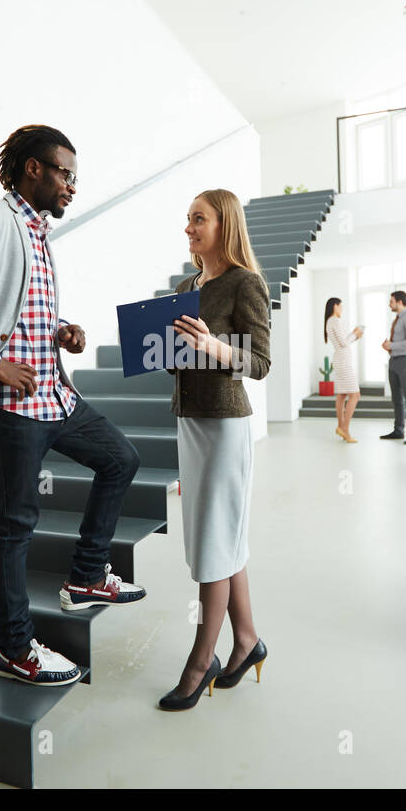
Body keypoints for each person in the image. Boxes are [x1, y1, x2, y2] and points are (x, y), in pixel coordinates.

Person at [0, 124, 146, 688]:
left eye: (75, 177)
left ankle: (87, 576)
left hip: (55, 396)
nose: (71, 186)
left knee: (121, 458)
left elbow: (14, 305)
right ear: (33, 169)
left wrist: (60, 330)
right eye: (64, 173)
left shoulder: (38, 234)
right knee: (13, 528)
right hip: (11, 406)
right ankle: (14, 649)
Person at [161, 188, 272, 711]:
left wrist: (214, 346)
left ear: (223, 223)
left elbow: (260, 362)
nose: (189, 227)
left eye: (198, 218)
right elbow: (181, 359)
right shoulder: (187, 286)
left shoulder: (244, 283)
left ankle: (200, 660)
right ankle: (246, 641)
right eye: (187, 219)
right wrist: (164, 351)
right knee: (221, 538)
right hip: (191, 423)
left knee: (212, 545)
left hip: (225, 426)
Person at [379, 290, 406, 444]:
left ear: (399, 302)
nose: (389, 304)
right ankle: (398, 430)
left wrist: (392, 345)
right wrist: (389, 347)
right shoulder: (397, 319)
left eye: (391, 301)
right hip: (394, 361)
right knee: (397, 399)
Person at [324, 297, 363, 443]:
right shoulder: (334, 320)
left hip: (340, 360)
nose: (342, 309)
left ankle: (341, 426)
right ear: (335, 306)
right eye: (341, 306)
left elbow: (341, 341)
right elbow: (343, 343)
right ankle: (345, 428)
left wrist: (353, 335)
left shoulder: (330, 321)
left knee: (342, 395)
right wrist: (355, 335)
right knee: (355, 395)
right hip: (343, 361)